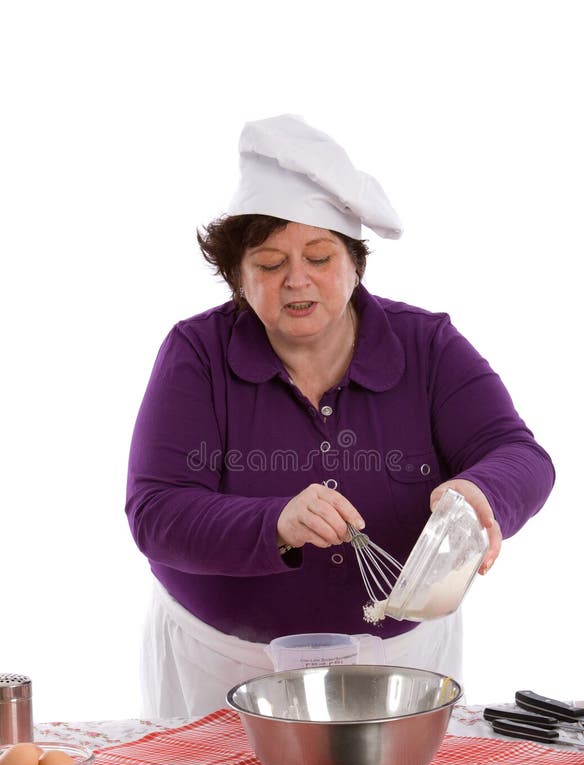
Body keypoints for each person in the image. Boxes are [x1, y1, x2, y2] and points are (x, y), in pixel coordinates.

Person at [125, 114, 555, 717]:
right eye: (270, 264)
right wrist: (275, 521)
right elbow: (156, 512)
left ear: (356, 263)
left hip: (400, 667)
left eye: (320, 256)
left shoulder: (427, 346)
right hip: (222, 668)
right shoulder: (195, 354)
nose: (297, 280)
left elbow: (518, 454)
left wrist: (483, 490)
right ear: (238, 278)